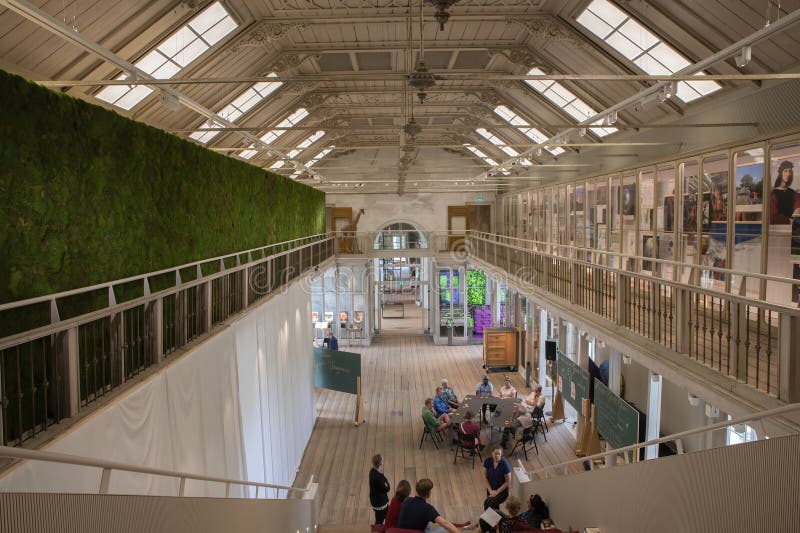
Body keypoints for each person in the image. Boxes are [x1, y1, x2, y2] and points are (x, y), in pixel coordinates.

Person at [483, 446, 511, 511]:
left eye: (499, 454)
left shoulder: (505, 464)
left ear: (501, 455)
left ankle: (491, 519)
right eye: (495, 453)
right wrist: (490, 491)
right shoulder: (487, 461)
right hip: (491, 489)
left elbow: (508, 482)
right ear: (492, 453)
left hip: (502, 491)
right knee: (489, 504)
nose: (497, 455)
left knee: (490, 504)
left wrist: (497, 492)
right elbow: (485, 477)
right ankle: (491, 520)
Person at [369, 454, 390, 526]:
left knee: (382, 517)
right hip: (380, 503)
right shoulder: (379, 477)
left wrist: (380, 474)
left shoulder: (372, 471)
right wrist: (382, 475)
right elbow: (387, 488)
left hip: (375, 500)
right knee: (380, 521)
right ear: (381, 463)